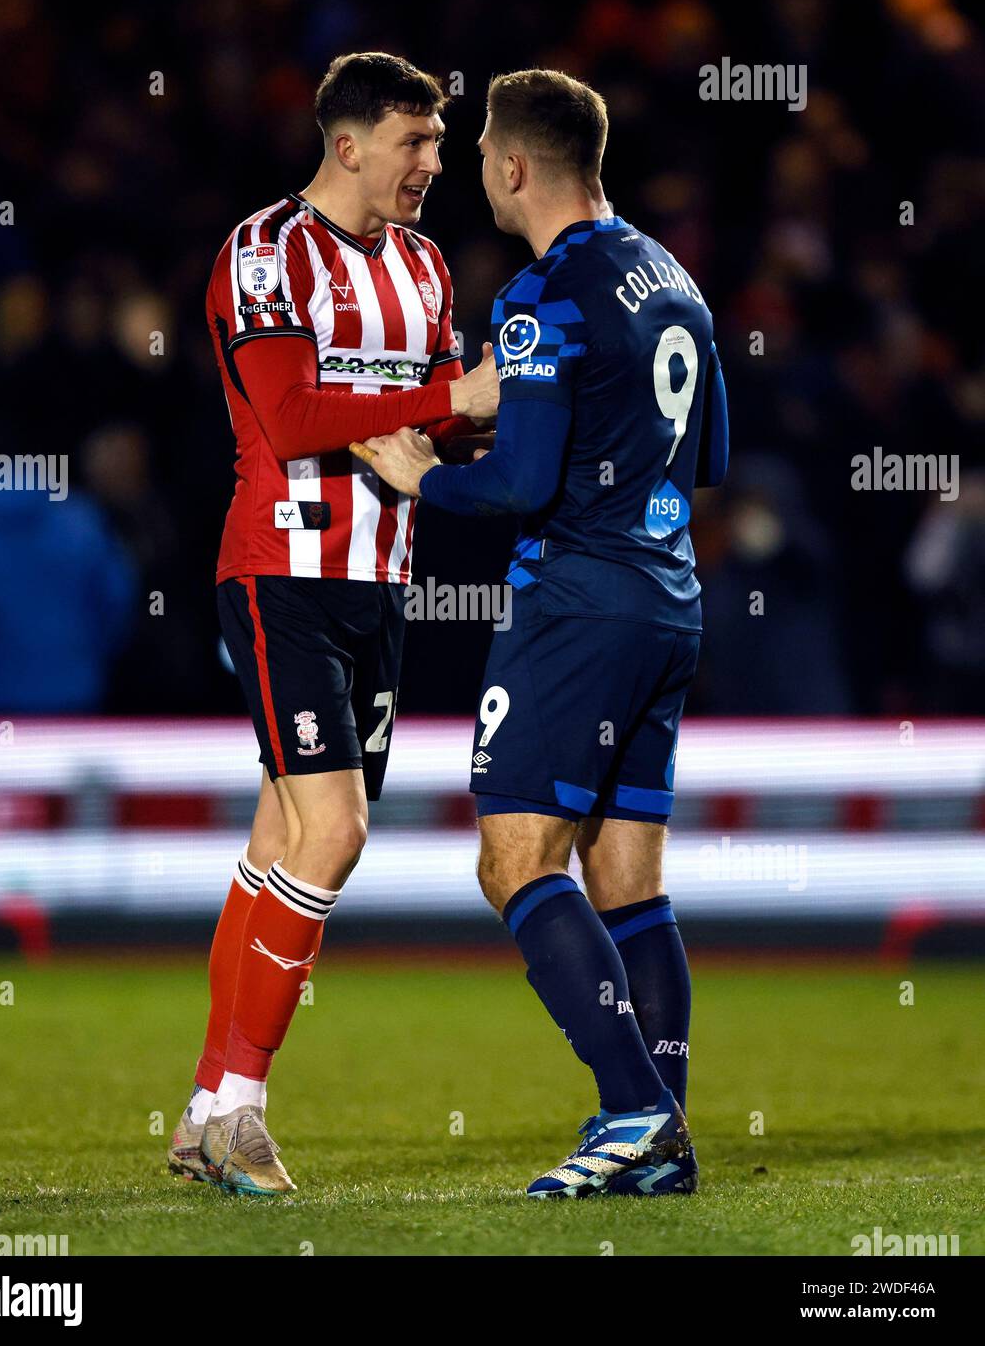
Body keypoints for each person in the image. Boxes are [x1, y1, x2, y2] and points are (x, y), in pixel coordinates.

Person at [358, 69, 728, 1199]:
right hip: (668, 602)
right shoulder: (673, 280)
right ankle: (657, 1134)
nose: (469, 171)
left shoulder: (541, 293)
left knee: (515, 859)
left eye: (475, 154)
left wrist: (422, 476)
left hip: (576, 606)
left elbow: (520, 481)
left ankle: (630, 1115)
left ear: (513, 166)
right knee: (627, 883)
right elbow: (705, 461)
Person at [167, 51, 497, 1196]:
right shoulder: (263, 252)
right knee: (335, 832)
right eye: (415, 143)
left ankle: (205, 1099)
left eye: (440, 144)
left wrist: (477, 417)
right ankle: (245, 1113)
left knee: (278, 842)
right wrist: (438, 404)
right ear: (348, 144)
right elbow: (293, 411)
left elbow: (446, 424)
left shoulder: (425, 265)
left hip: (381, 582)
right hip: (279, 573)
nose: (433, 164)